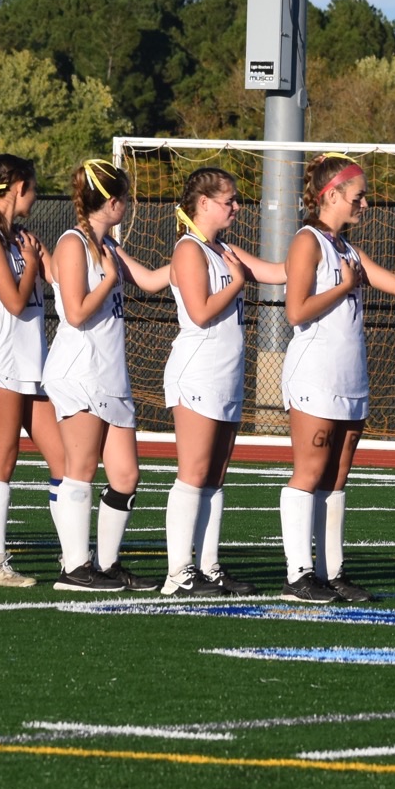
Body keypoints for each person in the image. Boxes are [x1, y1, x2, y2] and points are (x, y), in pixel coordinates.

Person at [278, 152, 395, 604]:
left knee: (336, 478)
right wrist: (342, 287)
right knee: (310, 471)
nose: (365, 204)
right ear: (330, 195)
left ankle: (331, 572)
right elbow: (295, 311)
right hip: (315, 374)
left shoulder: (347, 248)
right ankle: (299, 574)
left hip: (349, 375)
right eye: (358, 196)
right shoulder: (308, 241)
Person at [43, 157, 170, 592]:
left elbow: (151, 281)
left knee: (125, 475)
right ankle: (74, 569)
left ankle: (108, 564)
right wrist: (108, 280)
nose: (129, 207)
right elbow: (76, 312)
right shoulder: (72, 244)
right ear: (111, 202)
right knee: (81, 469)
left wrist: (197, 249)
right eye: (126, 199)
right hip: (79, 370)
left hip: (109, 372)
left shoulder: (108, 246)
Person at [163, 166, 285, 596]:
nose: (236, 207)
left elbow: (278, 272)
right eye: (228, 200)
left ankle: (209, 566)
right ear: (203, 204)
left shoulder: (222, 248)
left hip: (226, 372)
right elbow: (199, 311)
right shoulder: (189, 249)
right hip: (197, 370)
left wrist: (321, 250)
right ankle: (178, 574)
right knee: (193, 473)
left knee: (215, 476)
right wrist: (236, 282)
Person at [0, 154, 63, 588]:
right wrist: (30, 261)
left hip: (32, 367)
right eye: (33, 186)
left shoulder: (21, 236)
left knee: (65, 460)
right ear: (17, 186)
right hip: (0, 364)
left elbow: (59, 280)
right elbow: (15, 301)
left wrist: (44, 256)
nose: (36, 195)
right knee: (2, 461)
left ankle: (76, 557)